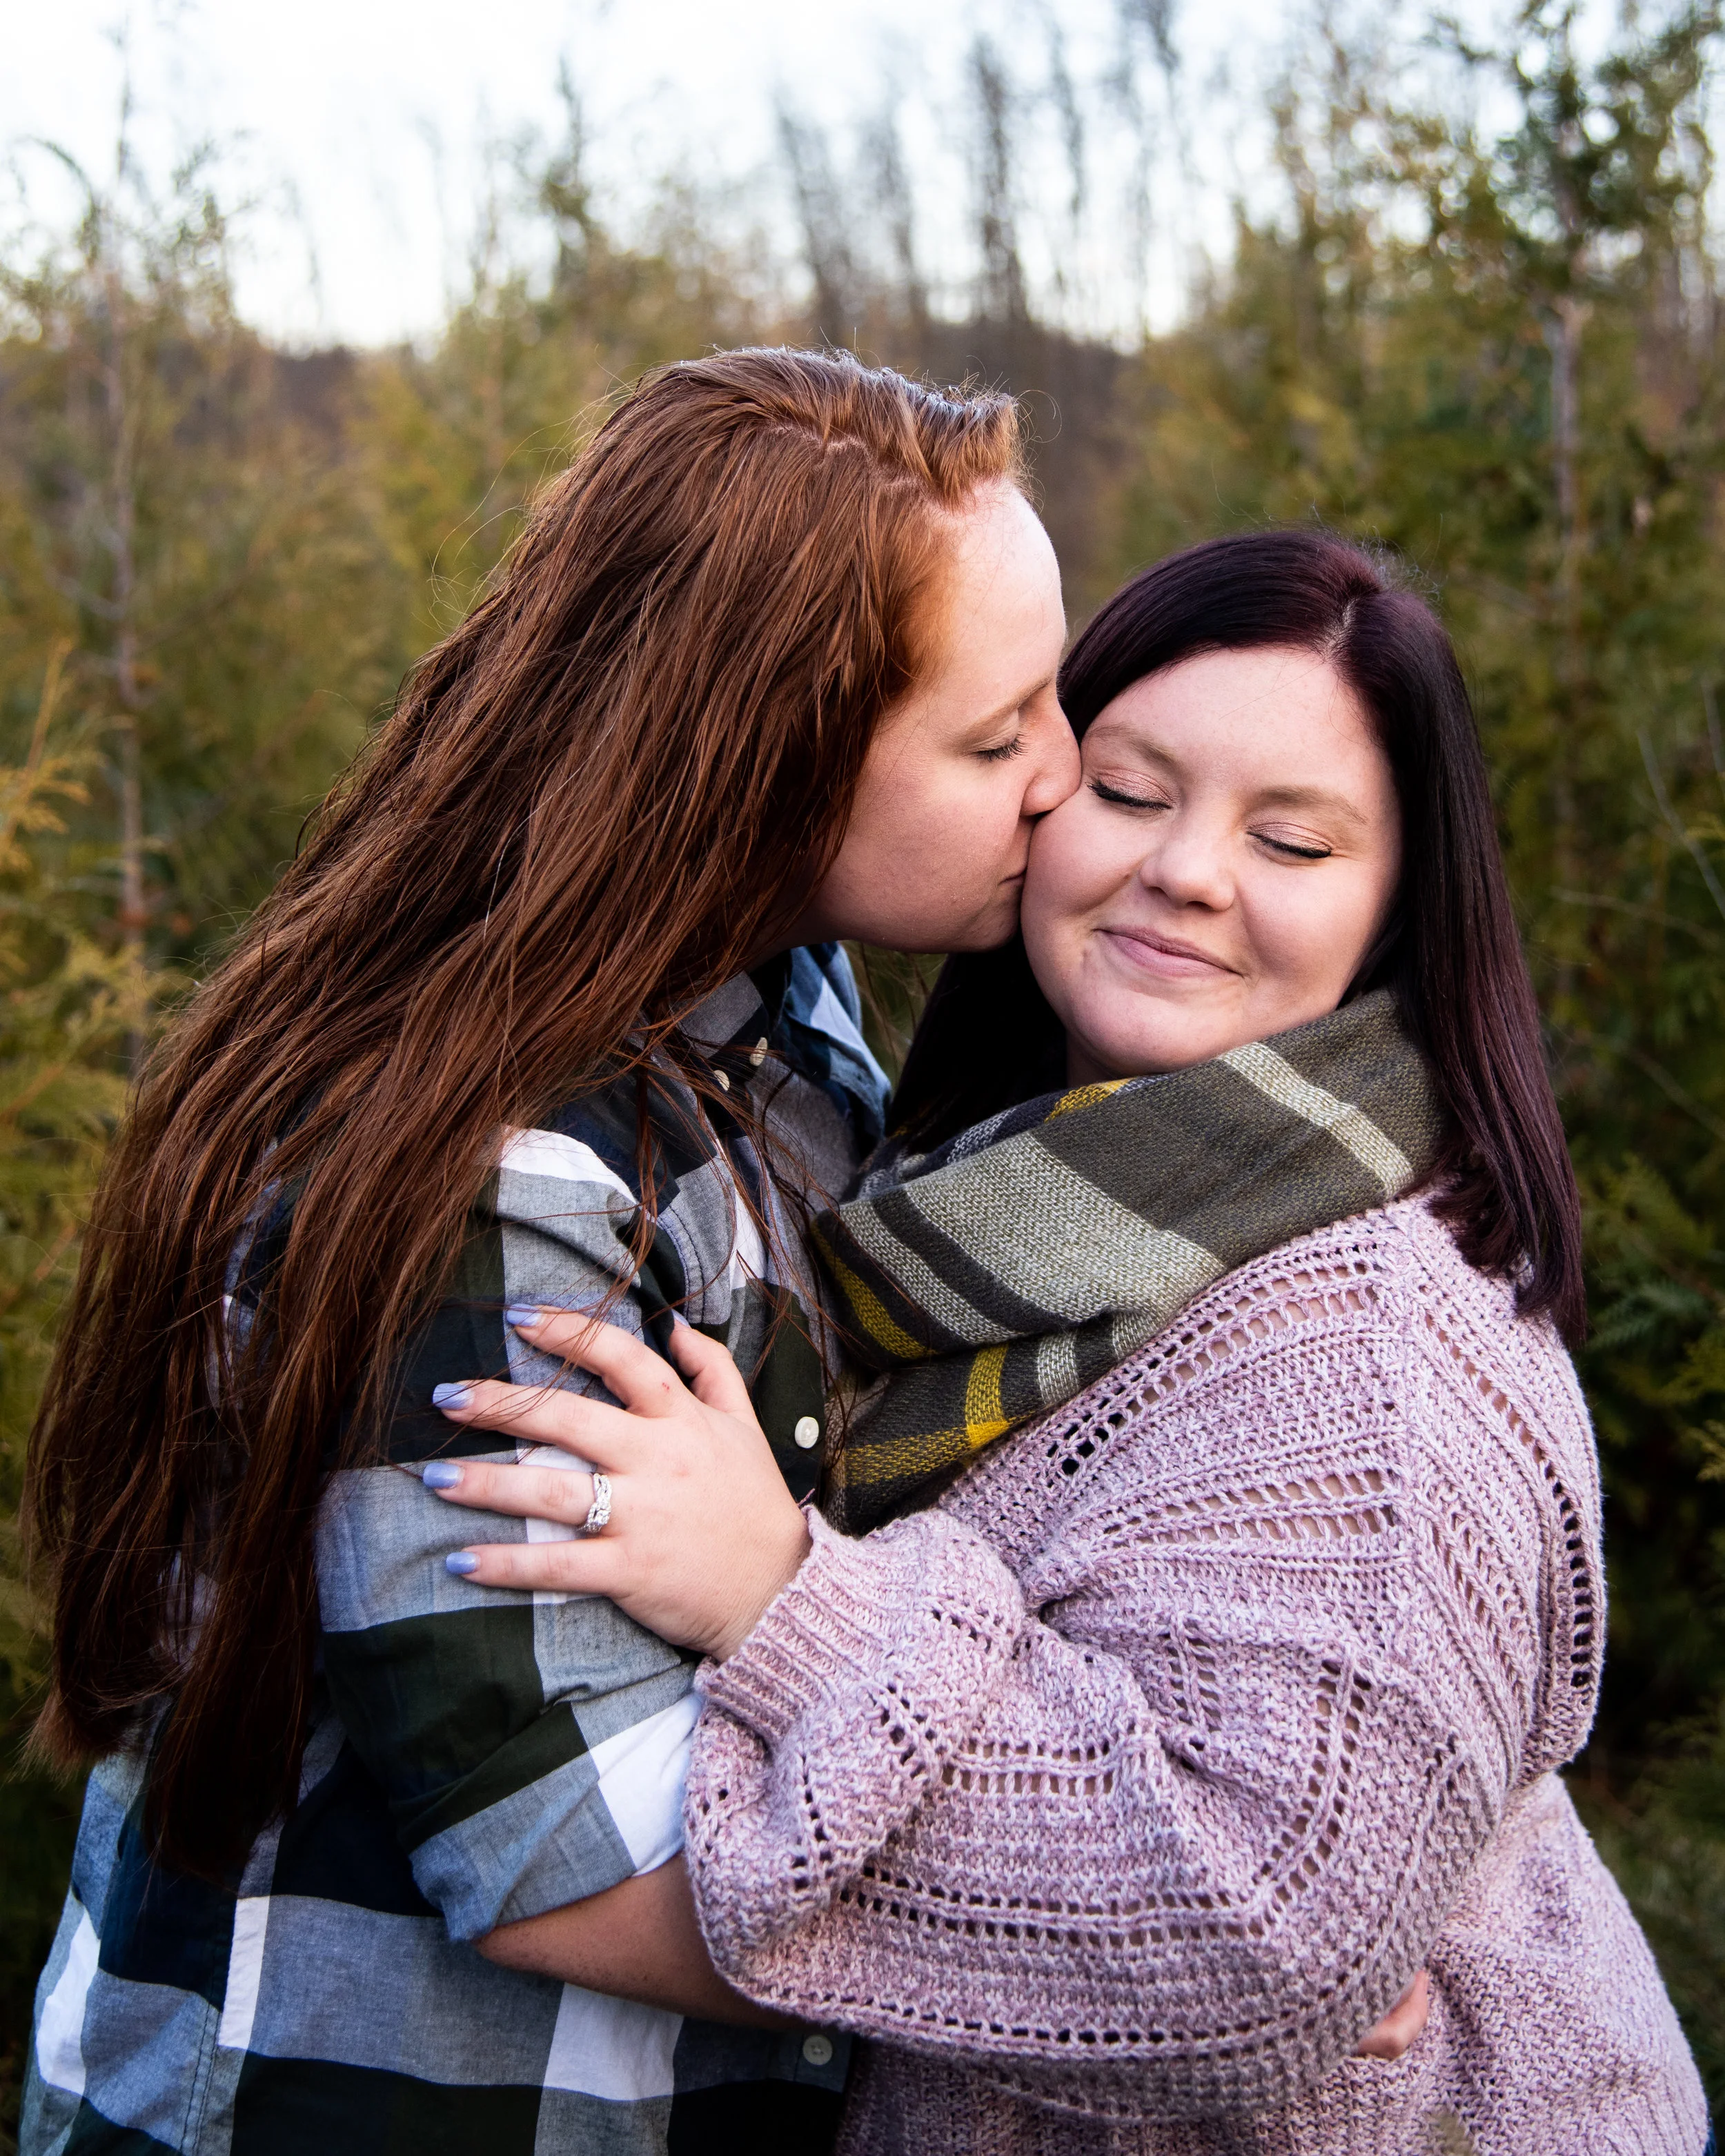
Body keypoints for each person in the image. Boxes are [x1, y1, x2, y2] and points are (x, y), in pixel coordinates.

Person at [416, 531, 1708, 2153]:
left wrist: (786, 1599)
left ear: (1396, 912)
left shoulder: (1371, 1368)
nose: (1185, 868)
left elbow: (1255, 1944)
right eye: (1129, 788)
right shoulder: (993, 1208)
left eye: (1291, 839)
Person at [21, 348, 1081, 2156]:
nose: (1063, 778)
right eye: (995, 737)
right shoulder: (500, 1177)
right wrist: (1107, 1934)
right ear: (769, 764)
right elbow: (558, 1856)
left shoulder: (790, 1027)